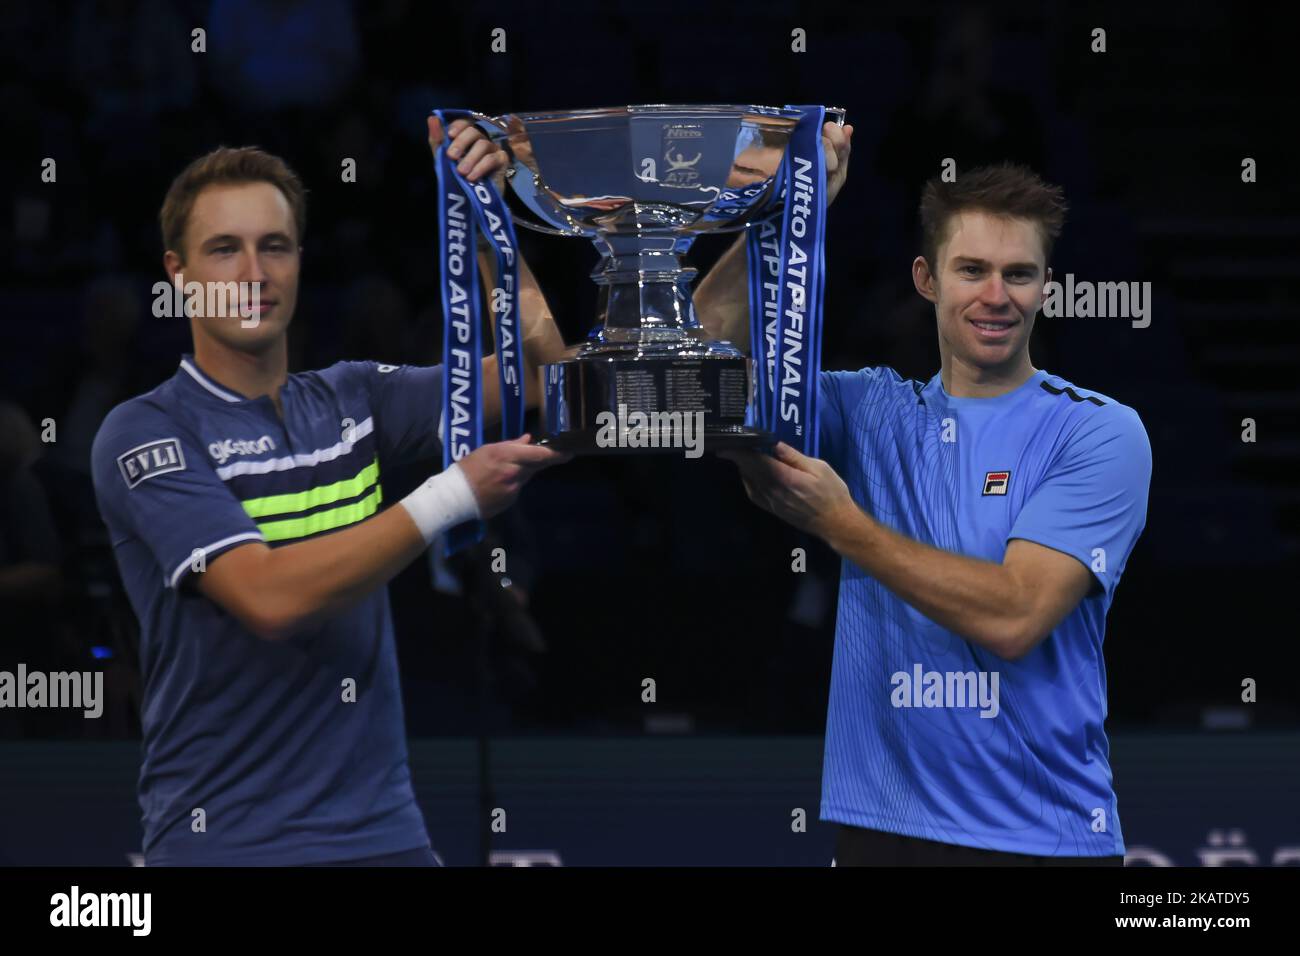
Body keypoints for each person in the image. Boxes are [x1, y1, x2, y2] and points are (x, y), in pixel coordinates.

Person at [90, 117, 569, 866]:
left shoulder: (355, 397)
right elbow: (270, 599)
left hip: (388, 838)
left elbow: (547, 380)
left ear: (299, 263)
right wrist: (452, 495)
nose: (254, 272)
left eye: (273, 246)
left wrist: (489, 234)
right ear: (177, 274)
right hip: (227, 846)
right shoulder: (144, 432)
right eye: (225, 249)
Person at [695, 156, 1151, 865]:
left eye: (1019, 274)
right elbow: (694, 370)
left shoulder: (1098, 432)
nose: (996, 295)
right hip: (881, 833)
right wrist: (788, 214)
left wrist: (840, 524)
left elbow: (1014, 616)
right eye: (971, 270)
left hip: (1041, 841)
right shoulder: (867, 411)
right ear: (926, 280)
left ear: (1047, 289)